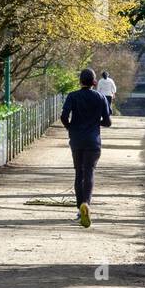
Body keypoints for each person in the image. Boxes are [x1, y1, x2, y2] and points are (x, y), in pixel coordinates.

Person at [60, 67, 111, 228]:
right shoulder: (100, 97)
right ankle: (86, 204)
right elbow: (108, 121)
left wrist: (70, 127)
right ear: (94, 82)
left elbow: (63, 116)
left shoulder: (73, 96)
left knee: (78, 172)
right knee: (89, 172)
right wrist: (97, 122)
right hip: (93, 141)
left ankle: (79, 207)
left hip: (76, 140)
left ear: (80, 81)